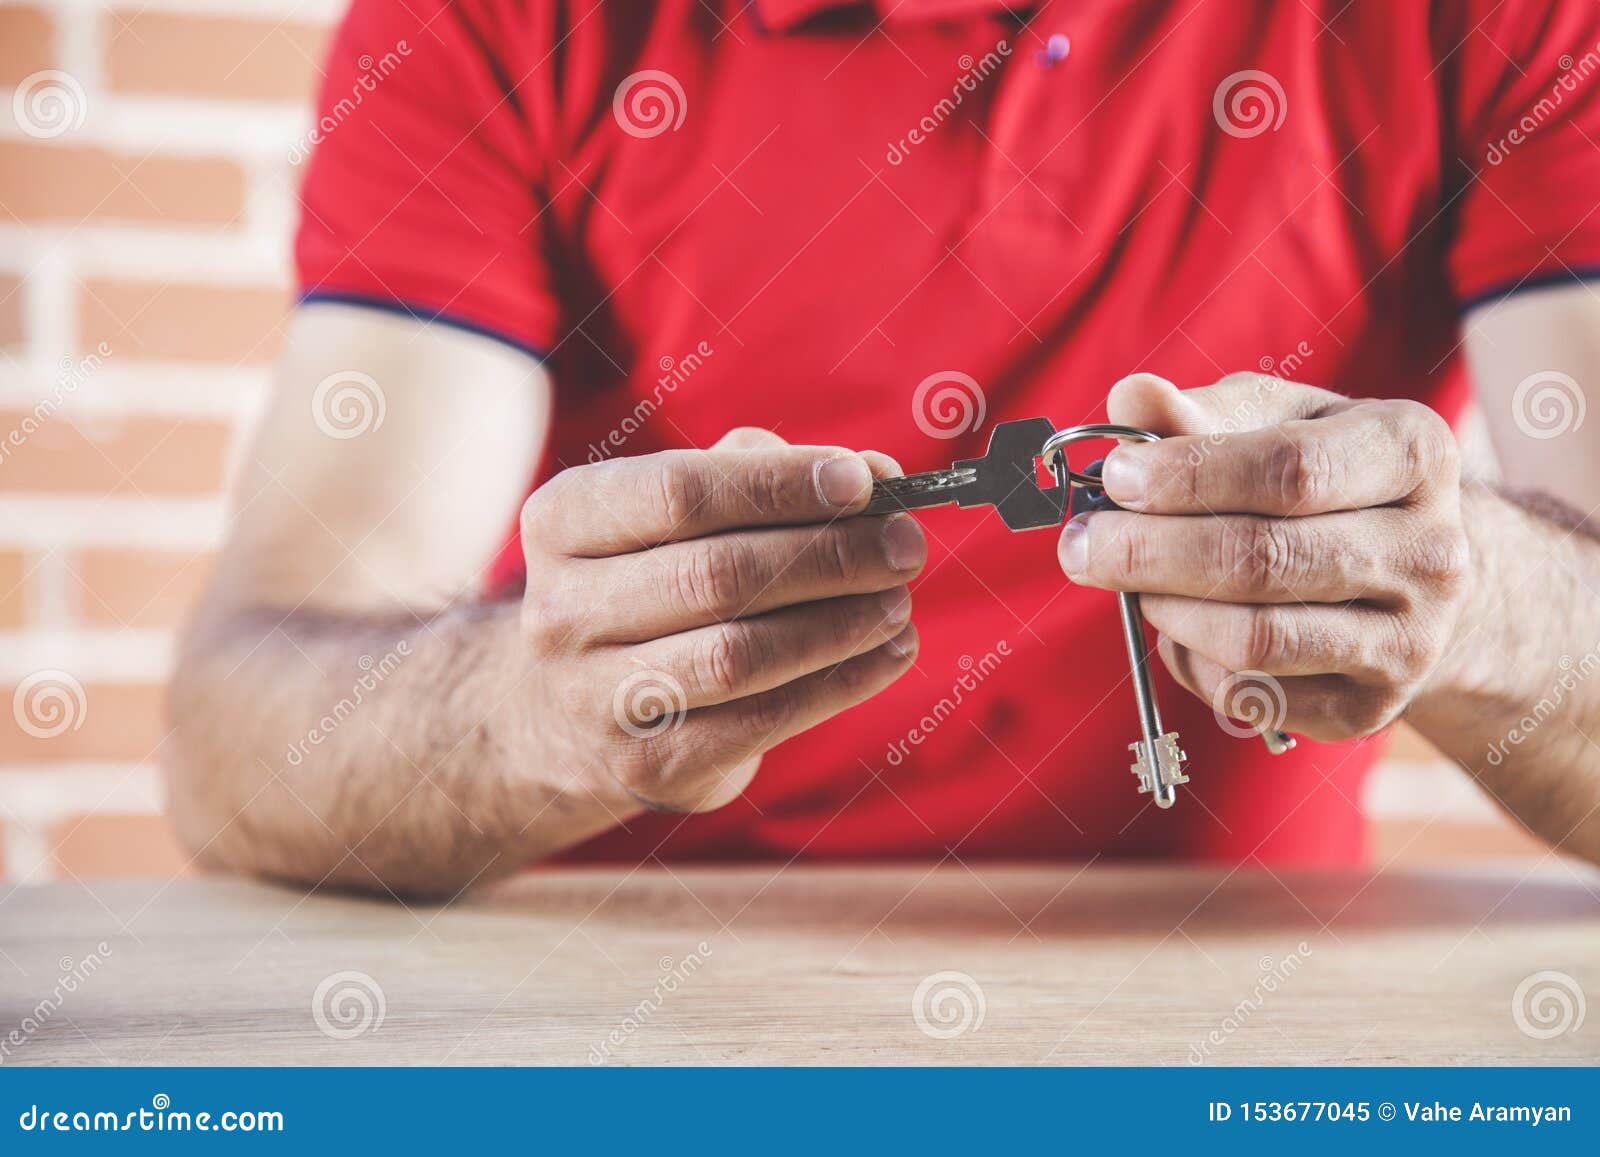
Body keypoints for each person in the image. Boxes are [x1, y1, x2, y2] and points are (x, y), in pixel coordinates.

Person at [164, 0, 1600, 897]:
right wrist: (523, 714)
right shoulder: (487, 19)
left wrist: (1482, 601)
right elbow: (236, 737)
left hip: (1219, 1051)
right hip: (621, 1033)